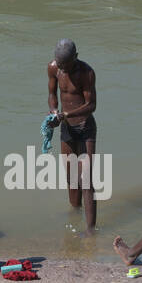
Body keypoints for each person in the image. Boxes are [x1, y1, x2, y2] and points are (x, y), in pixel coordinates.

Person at [46, 39, 98, 234]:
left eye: (65, 65)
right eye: (59, 65)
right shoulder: (53, 68)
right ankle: (75, 215)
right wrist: (54, 111)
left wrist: (68, 114)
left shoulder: (86, 72)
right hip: (67, 129)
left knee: (86, 179)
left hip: (85, 128)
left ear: (75, 58)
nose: (62, 69)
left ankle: (91, 230)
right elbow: (52, 94)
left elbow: (91, 105)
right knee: (70, 177)